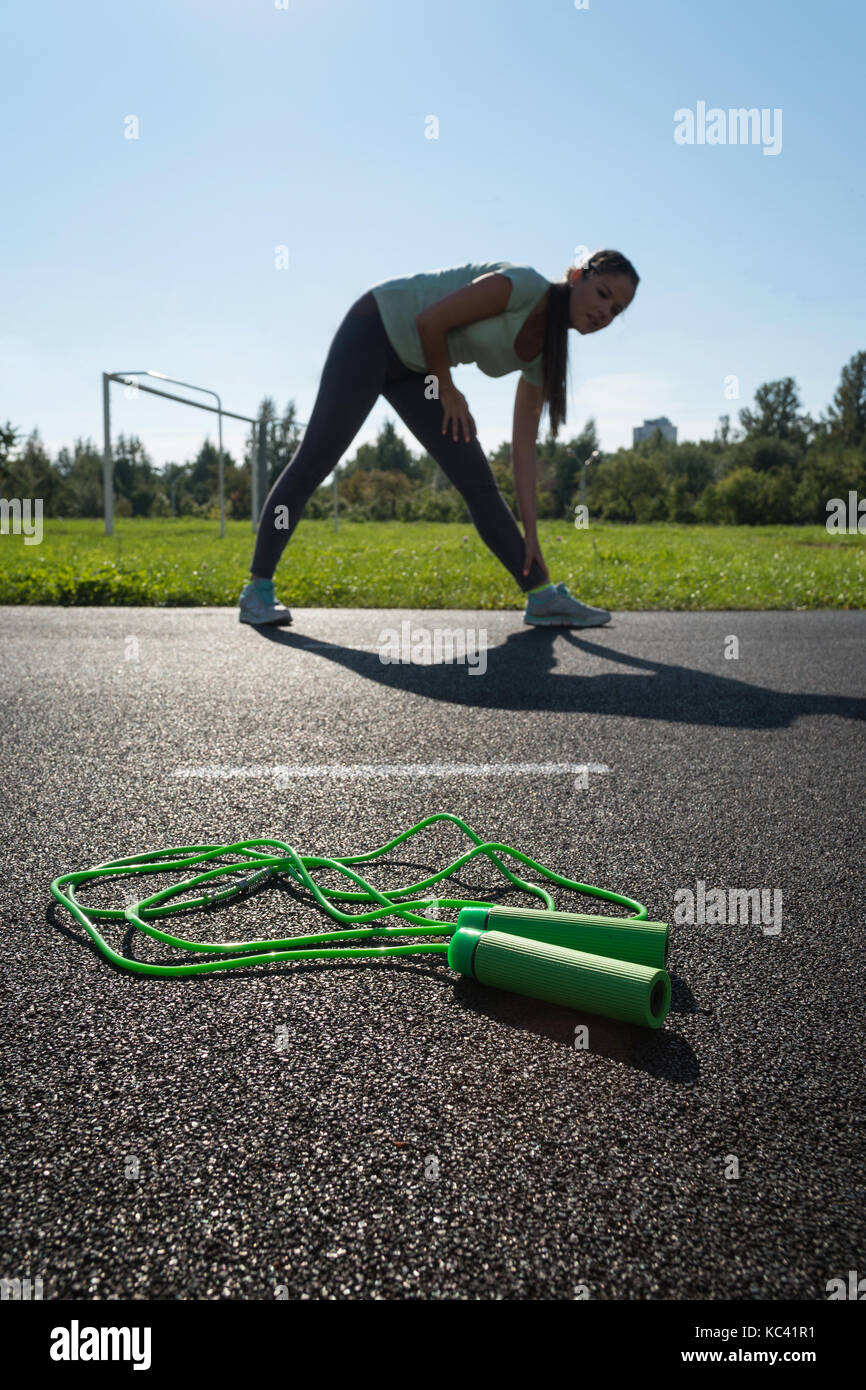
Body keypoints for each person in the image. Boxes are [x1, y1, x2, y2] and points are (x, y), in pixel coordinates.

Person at [239, 250, 639, 628]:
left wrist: (531, 533)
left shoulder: (546, 355)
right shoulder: (523, 286)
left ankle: (541, 595)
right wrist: (445, 387)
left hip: (418, 368)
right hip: (376, 328)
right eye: (603, 294)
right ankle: (257, 589)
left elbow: (523, 449)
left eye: (617, 310)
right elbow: (430, 321)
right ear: (575, 277)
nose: (605, 312)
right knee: (314, 461)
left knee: (477, 480)